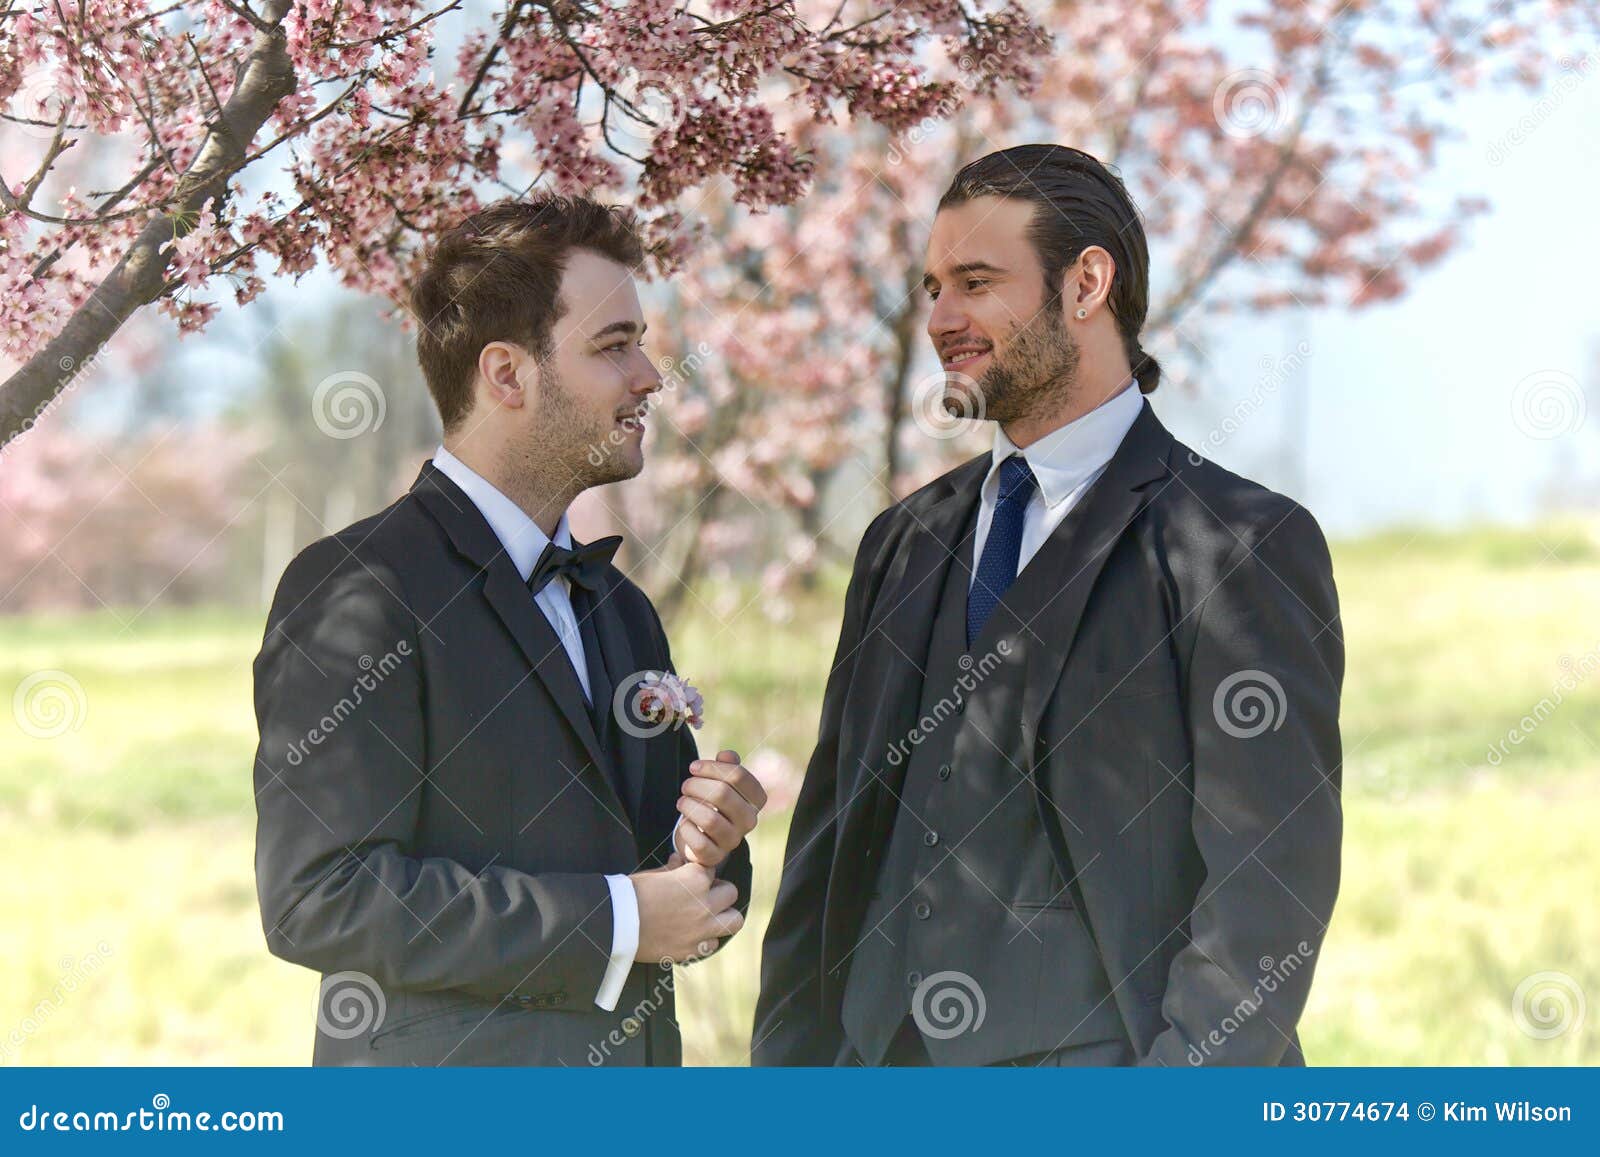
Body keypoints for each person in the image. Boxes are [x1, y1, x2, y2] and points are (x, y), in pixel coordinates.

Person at [753, 144, 1343, 1066]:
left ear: (1086, 285)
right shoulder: (901, 541)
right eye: (933, 288)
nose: (941, 319)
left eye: (976, 283)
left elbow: (1268, 886)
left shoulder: (1236, 543)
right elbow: (827, 850)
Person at [252, 195, 764, 1066]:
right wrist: (618, 920)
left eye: (641, 344)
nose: (649, 376)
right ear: (506, 374)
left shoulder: (621, 606)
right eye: (614, 346)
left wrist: (711, 845)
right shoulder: (360, 586)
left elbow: (672, 894)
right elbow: (319, 896)